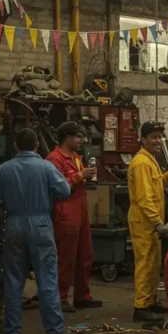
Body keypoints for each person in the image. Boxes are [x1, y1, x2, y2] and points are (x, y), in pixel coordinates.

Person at [0, 129, 72, 334]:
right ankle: (55, 332)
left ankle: (12, 333)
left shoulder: (4, 169)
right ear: (37, 145)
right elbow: (65, 190)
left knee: (13, 280)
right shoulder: (46, 167)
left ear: (15, 145)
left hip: (14, 225)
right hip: (41, 224)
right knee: (47, 278)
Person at [128, 122, 168, 322]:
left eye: (160, 137)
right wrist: (156, 222)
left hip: (151, 222)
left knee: (153, 263)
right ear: (143, 139)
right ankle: (141, 307)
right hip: (144, 222)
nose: (158, 141)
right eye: (153, 137)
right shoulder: (141, 162)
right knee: (145, 264)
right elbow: (144, 198)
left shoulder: (150, 159)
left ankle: (150, 301)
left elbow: (158, 184)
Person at [46, 122, 102, 312]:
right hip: (65, 209)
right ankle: (60, 298)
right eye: (78, 136)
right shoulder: (54, 159)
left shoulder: (76, 157)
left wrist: (86, 176)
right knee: (65, 256)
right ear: (67, 138)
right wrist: (79, 175)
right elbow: (56, 187)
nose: (82, 140)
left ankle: (82, 295)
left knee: (85, 253)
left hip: (80, 207)